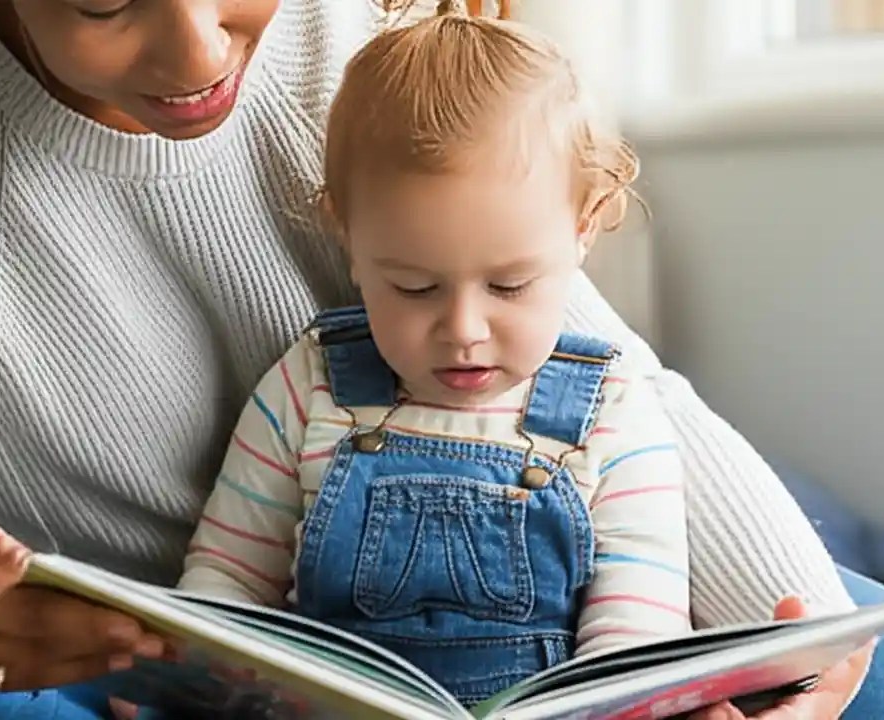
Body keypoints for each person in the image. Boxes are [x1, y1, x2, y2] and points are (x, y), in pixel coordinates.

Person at [0, 0, 884, 718]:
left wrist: (801, 632)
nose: (200, 56)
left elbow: (599, 371)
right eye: (104, 2)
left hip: (501, 666)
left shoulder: (336, 39)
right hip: (132, 682)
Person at [175, 5, 694, 706]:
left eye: (509, 285)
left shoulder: (614, 411)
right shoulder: (312, 386)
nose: (464, 329)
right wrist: (206, 663)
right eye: (414, 287)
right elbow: (228, 577)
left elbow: (637, 629)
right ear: (348, 239)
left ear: (583, 229)